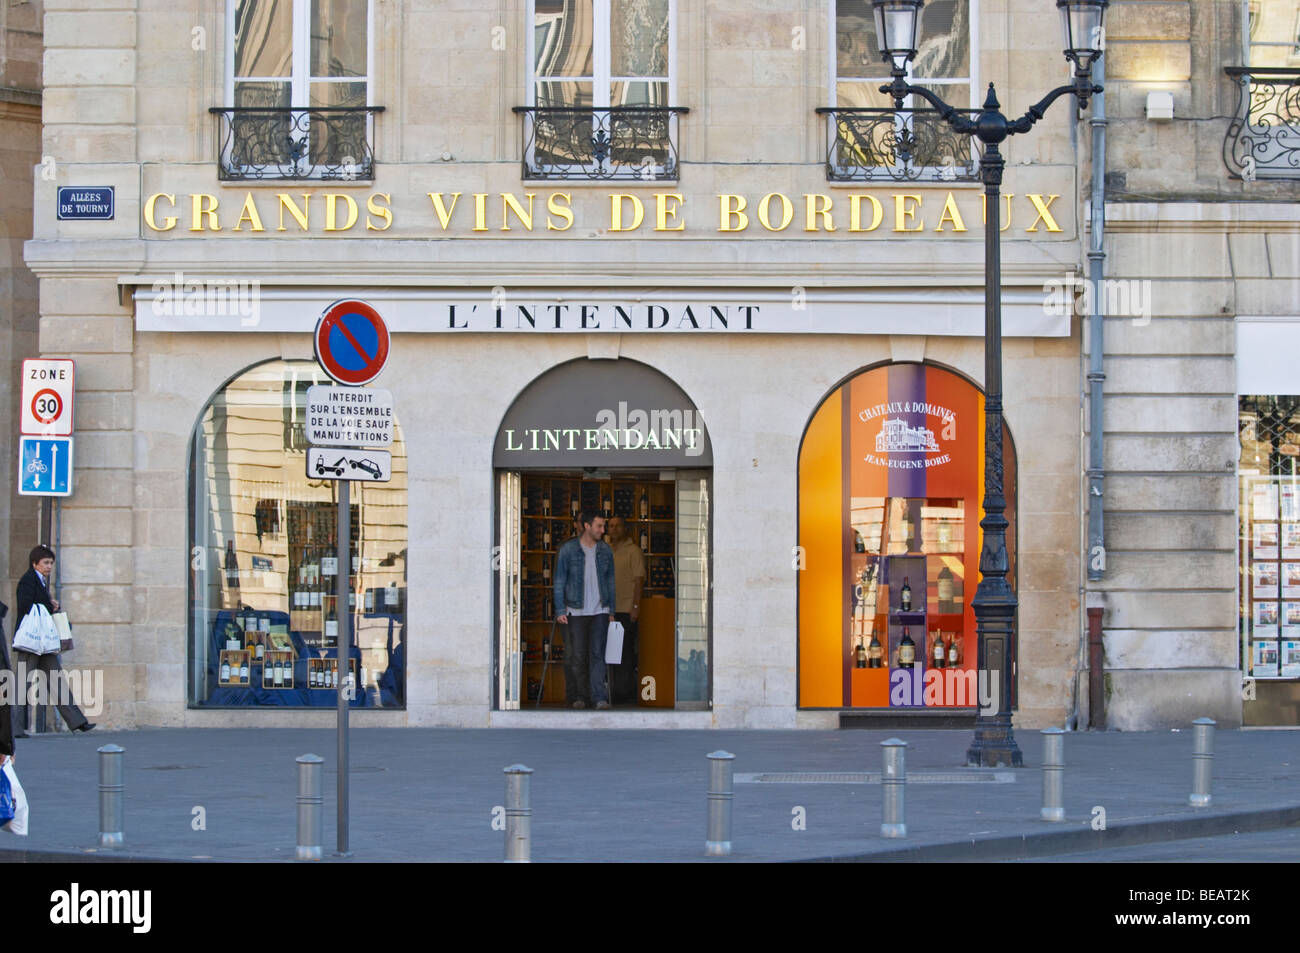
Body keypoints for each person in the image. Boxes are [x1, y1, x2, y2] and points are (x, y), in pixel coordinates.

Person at [13, 546, 94, 733]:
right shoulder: (28, 580)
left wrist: (49, 604)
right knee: (21, 685)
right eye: (45, 563)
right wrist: (48, 604)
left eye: (51, 563)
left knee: (56, 680)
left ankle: (77, 721)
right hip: (31, 642)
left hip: (43, 643)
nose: (49, 567)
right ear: (35, 563)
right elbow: (26, 606)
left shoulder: (40, 581)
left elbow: (38, 606)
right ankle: (13, 729)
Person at [554, 511, 616, 710]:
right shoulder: (568, 549)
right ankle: (581, 696)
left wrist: (611, 610)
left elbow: (610, 582)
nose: (603, 530)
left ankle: (599, 697)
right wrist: (559, 609)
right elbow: (559, 580)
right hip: (575, 609)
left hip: (600, 610)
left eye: (603, 526)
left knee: (597, 654)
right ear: (587, 526)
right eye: (599, 526)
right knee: (578, 655)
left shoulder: (605, 550)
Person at [605, 516, 646, 706]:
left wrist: (635, 607)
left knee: (625, 654)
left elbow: (639, 580)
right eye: (611, 526)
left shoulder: (634, 551)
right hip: (607, 611)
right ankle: (613, 692)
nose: (613, 529)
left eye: (617, 526)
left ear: (625, 529)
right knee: (610, 654)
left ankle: (625, 694)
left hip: (625, 609)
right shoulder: (605, 551)